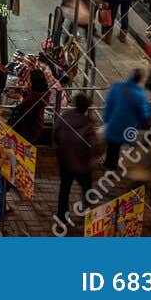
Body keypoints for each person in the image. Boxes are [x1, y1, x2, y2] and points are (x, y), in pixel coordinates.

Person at [52, 92, 102, 229]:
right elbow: (95, 147)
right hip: (82, 166)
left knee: (64, 190)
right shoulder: (88, 124)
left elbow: (55, 134)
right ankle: (87, 213)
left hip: (65, 162)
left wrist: (59, 150)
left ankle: (62, 217)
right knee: (87, 189)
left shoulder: (64, 117)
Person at [101, 69, 151, 174]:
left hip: (114, 125)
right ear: (140, 80)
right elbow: (145, 114)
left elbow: (109, 104)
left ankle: (109, 167)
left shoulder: (117, 87)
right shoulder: (140, 95)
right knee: (135, 147)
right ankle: (131, 166)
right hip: (129, 128)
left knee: (113, 148)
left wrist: (106, 119)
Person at [10, 68, 49, 145]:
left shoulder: (32, 98)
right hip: (36, 126)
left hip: (28, 130)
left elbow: (22, 109)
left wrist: (21, 97)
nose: (26, 83)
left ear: (33, 83)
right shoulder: (43, 93)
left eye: (28, 81)